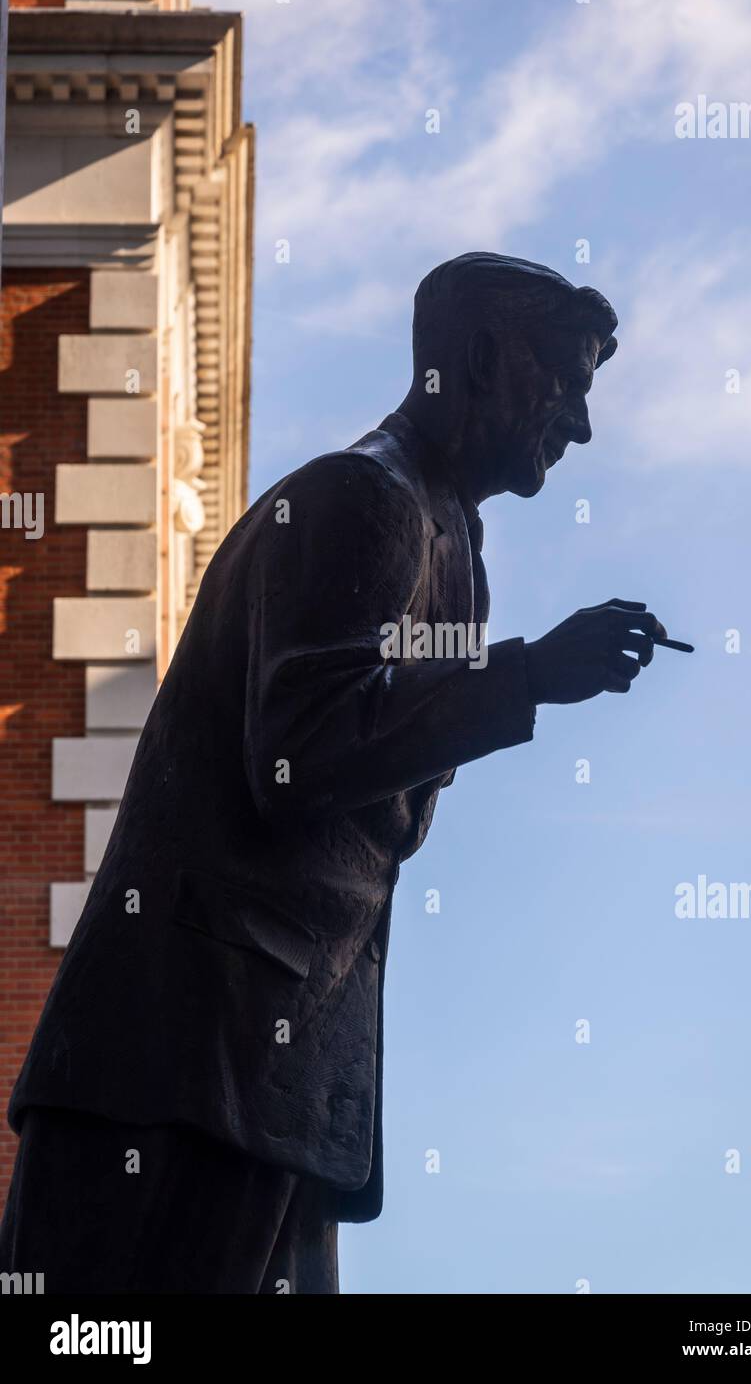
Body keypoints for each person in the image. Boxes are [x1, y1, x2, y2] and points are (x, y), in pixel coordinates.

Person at [0, 253, 668, 1293]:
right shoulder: (361, 500)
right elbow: (298, 752)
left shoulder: (454, 544)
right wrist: (530, 675)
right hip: (180, 1069)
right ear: (486, 359)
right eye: (567, 383)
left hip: (278, 1085)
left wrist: (515, 675)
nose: (580, 425)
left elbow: (377, 775)